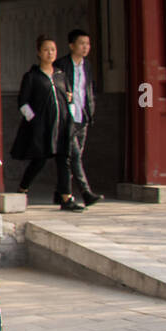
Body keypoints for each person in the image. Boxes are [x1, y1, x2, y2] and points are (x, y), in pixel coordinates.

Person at [11, 35, 83, 211]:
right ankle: (22, 190)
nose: (50, 53)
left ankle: (66, 198)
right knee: (39, 160)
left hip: (62, 126)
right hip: (42, 128)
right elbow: (23, 102)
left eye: (53, 50)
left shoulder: (60, 75)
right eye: (46, 49)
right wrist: (34, 121)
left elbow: (69, 98)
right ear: (39, 53)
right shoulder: (32, 76)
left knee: (63, 160)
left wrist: (70, 117)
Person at [54, 28, 102, 206]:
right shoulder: (61, 65)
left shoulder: (87, 65)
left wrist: (91, 108)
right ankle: (85, 192)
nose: (85, 47)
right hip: (67, 118)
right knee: (74, 156)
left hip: (83, 116)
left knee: (73, 156)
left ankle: (60, 192)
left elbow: (88, 89)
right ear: (71, 45)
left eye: (87, 44)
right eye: (82, 43)